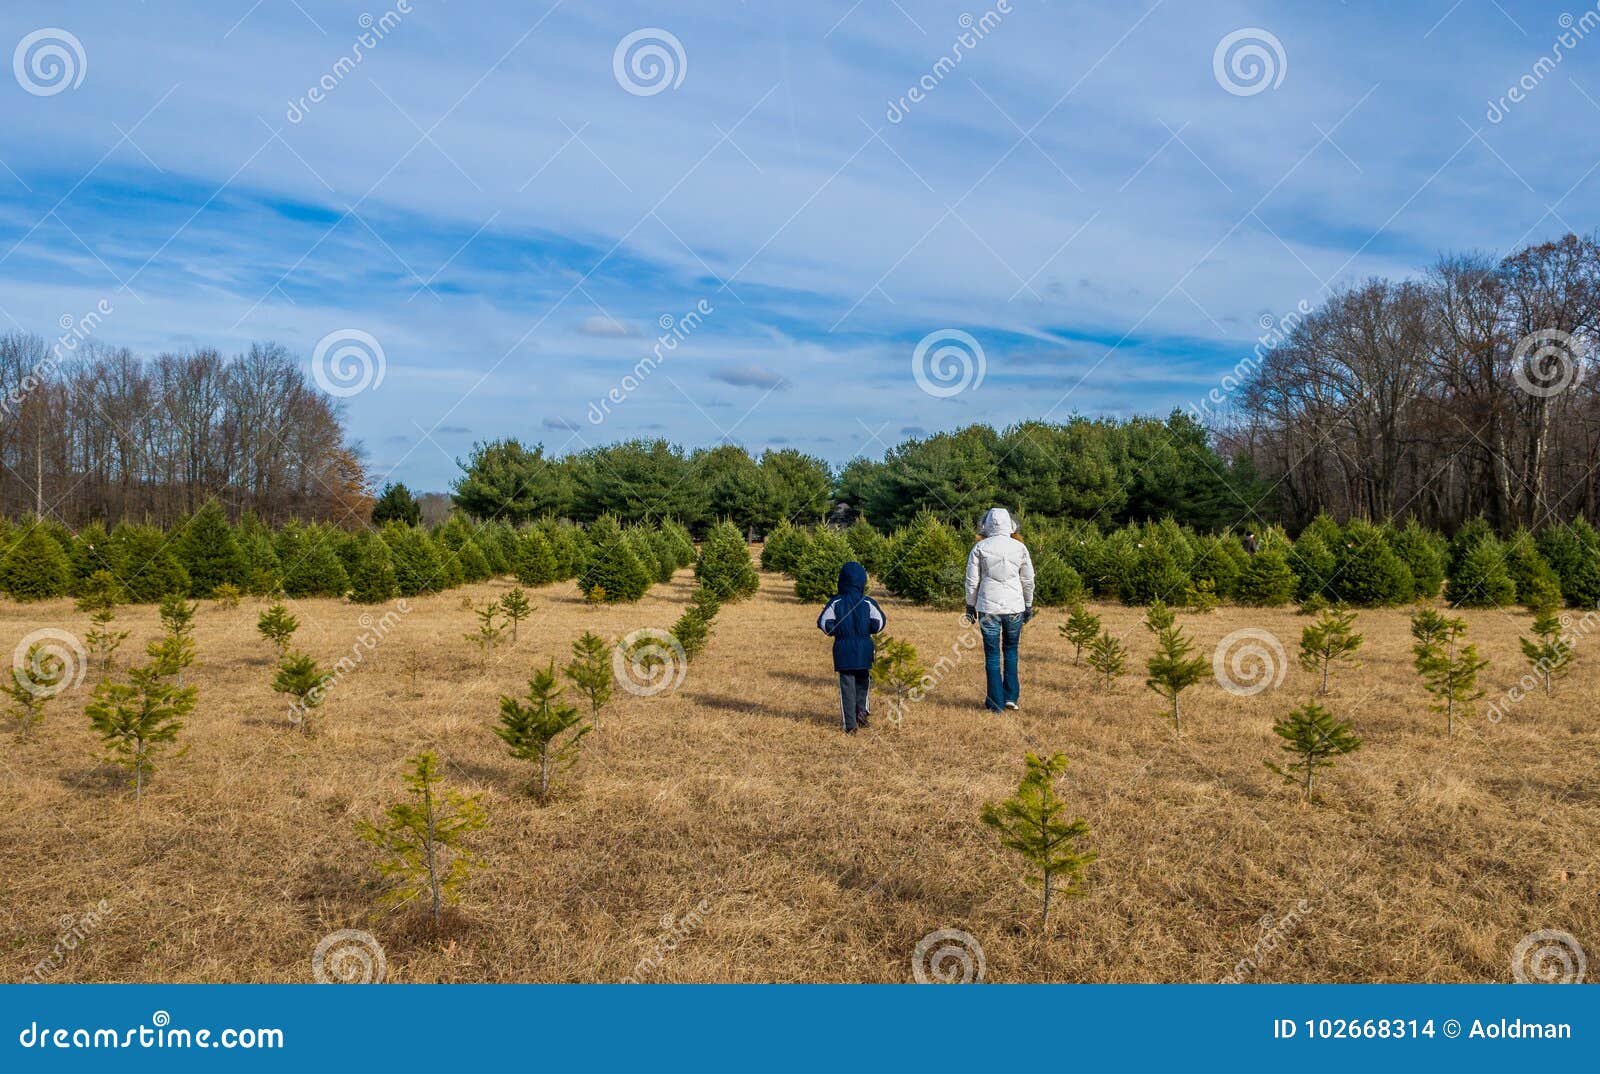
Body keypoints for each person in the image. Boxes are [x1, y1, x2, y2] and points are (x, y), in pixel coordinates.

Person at [964, 507, 1035, 712]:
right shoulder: (1019, 547)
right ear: (1010, 525)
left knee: (992, 654)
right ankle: (1011, 697)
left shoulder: (980, 547)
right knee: (1011, 651)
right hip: (1014, 607)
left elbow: (972, 581)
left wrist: (970, 605)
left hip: (988, 607)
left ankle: (995, 702)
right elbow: (1028, 580)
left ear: (986, 524)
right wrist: (1028, 604)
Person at [815, 560, 886, 734]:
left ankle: (850, 726)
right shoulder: (868, 602)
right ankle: (861, 710)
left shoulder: (836, 602)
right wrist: (867, 629)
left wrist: (837, 630)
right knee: (864, 682)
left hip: (843, 651)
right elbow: (880, 623)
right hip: (864, 650)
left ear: (842, 580)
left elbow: (824, 623)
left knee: (847, 687)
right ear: (862, 581)